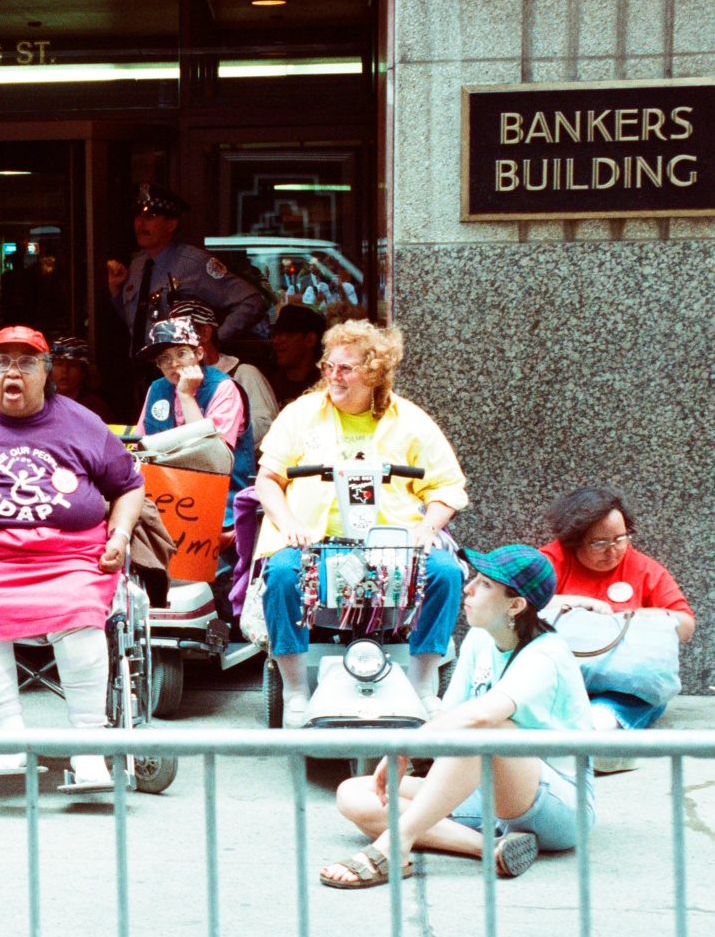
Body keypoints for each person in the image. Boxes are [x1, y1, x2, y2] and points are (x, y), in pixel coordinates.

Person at [0, 326, 144, 791]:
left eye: (26, 363)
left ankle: (89, 748)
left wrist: (119, 536)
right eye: (2, 363)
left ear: (46, 372)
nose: (12, 373)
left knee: (80, 610)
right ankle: (7, 738)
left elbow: (129, 485)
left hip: (69, 557)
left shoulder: (83, 422)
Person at [319, 545, 594, 888]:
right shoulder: (480, 639)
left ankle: (393, 846)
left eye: (485, 584)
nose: (469, 588)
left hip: (556, 805)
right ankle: (490, 848)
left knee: (485, 729)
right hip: (483, 795)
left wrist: (404, 748)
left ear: (515, 605)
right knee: (355, 794)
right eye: (475, 579)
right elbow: (451, 716)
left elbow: (483, 715)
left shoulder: (547, 655)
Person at [254, 321, 467, 726]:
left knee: (445, 572)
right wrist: (288, 522)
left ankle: (424, 683)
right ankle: (295, 688)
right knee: (281, 574)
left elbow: (448, 487)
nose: (333, 376)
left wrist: (427, 528)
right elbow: (268, 479)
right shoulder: (301, 414)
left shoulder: (411, 420)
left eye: (345, 368)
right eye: (328, 366)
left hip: (394, 545)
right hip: (316, 542)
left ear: (374, 373)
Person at [540, 487, 695, 743]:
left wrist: (642, 616)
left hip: (625, 686)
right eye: (599, 544)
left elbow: (686, 626)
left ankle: (599, 726)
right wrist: (579, 603)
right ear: (573, 540)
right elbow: (515, 602)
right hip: (562, 678)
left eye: (620, 539)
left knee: (633, 700)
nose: (612, 551)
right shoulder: (550, 561)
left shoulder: (644, 568)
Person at [105, 184, 267, 350]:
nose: (141, 224)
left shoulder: (194, 262)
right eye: (138, 217)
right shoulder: (137, 264)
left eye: (150, 216)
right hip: (139, 362)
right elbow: (135, 323)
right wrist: (116, 290)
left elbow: (252, 301)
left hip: (181, 362)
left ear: (171, 224)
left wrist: (212, 341)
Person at [133, 317, 256, 511]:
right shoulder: (157, 388)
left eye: (181, 353)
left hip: (221, 500)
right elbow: (138, 447)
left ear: (199, 353)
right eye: (164, 358)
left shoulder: (223, 387)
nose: (173, 364)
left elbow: (210, 459)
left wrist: (186, 395)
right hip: (164, 496)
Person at [169, 299, 278, 445]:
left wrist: (228, 427)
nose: (173, 341)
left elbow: (266, 425)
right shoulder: (166, 382)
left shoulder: (243, 373)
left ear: (205, 333)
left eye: (182, 334)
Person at [266, 304, 327, 407]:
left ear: (310, 339)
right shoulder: (268, 385)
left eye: (287, 335)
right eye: (275, 335)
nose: (276, 341)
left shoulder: (325, 387)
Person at [48, 337, 114, 423]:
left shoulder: (95, 406)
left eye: (73, 365)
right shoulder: (41, 403)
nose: (65, 370)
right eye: (59, 364)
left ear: (83, 373)